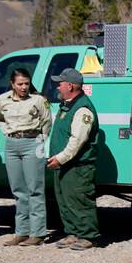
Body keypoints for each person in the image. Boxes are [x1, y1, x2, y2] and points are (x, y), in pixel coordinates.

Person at [0, 68, 52, 246]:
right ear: (12, 84)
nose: (24, 87)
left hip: (32, 143)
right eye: (20, 84)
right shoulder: (3, 99)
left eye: (26, 83)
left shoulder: (39, 100)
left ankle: (38, 232)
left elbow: (47, 121)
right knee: (18, 190)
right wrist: (6, 132)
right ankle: (21, 231)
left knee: (35, 189)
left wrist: (40, 140)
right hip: (12, 144)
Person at [46, 68, 101, 250]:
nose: (58, 86)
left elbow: (77, 141)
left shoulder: (83, 109)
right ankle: (73, 232)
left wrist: (60, 159)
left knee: (79, 200)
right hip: (63, 164)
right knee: (64, 200)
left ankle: (88, 235)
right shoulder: (67, 105)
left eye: (60, 83)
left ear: (70, 86)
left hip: (77, 166)